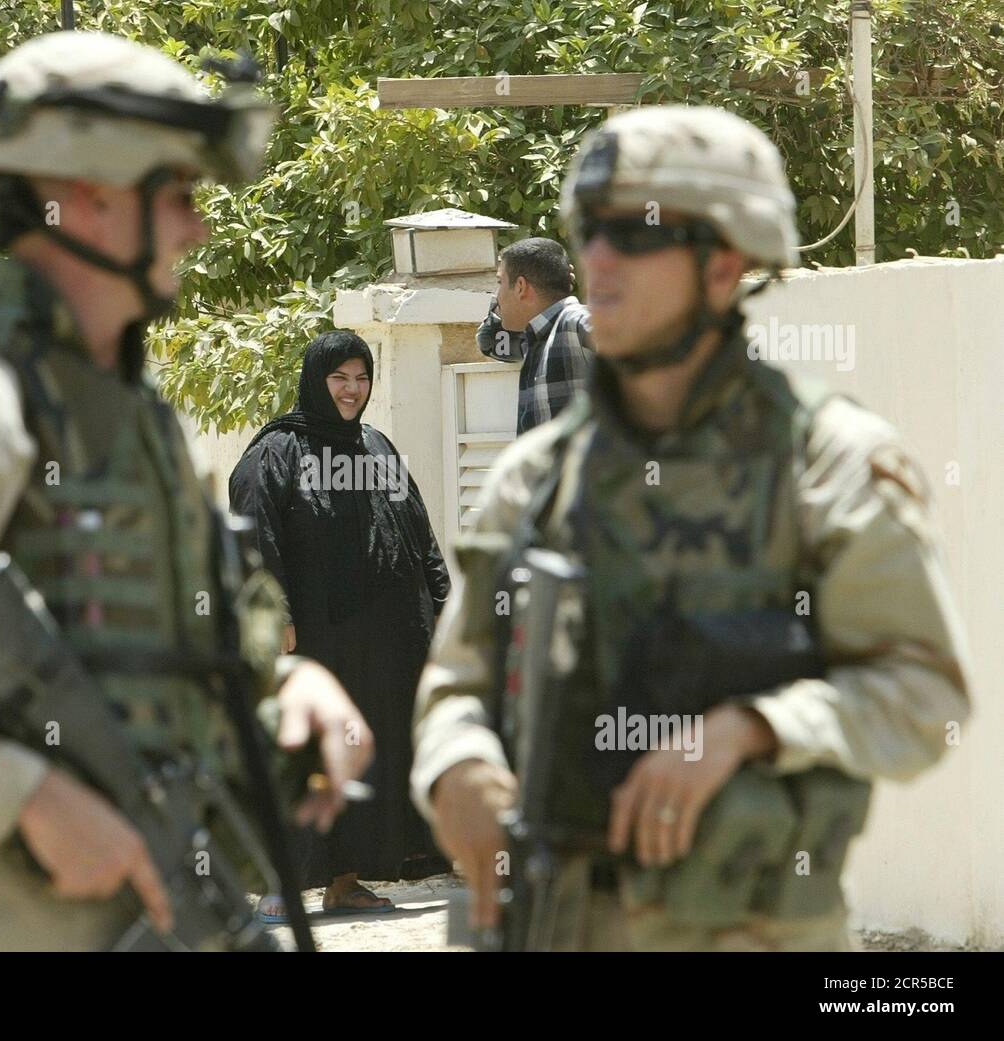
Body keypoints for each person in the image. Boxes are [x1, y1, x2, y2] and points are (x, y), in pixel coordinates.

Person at [0, 31, 371, 951]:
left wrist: (291, 687)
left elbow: (169, 653)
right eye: (176, 194)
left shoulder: (141, 425)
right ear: (87, 196)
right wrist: (34, 800)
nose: (198, 226)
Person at [412, 105, 972, 951]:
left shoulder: (825, 464)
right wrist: (454, 767)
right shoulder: (539, 477)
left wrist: (755, 728)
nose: (597, 257)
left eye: (637, 234)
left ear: (725, 264)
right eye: (590, 229)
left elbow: (925, 695)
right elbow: (458, 682)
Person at [230, 331, 452, 919]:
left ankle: (345, 879)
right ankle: (280, 882)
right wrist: (274, 615)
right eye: (339, 378)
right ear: (315, 380)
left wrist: (444, 601)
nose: (352, 390)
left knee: (367, 753)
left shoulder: (377, 446)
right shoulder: (276, 452)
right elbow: (253, 533)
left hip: (385, 641)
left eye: (361, 378)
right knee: (301, 750)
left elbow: (417, 530)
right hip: (313, 642)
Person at [476, 237, 593, 434]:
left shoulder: (576, 321)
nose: (496, 295)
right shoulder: (534, 339)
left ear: (520, 286)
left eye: (499, 282)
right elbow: (487, 341)